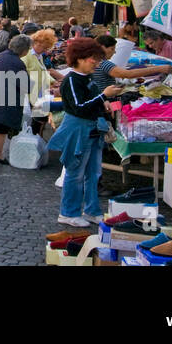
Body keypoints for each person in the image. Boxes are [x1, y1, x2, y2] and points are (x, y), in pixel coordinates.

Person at [48, 37, 124, 227]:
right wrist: (104, 95)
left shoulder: (87, 78)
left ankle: (92, 210)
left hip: (92, 130)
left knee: (93, 173)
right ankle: (68, 212)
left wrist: (104, 101)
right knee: (76, 173)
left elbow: (92, 101)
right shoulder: (72, 81)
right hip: (78, 131)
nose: (97, 64)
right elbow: (79, 107)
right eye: (94, 59)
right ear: (80, 58)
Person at [0, 34, 33, 164]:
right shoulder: (17, 62)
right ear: (24, 50)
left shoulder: (0, 56)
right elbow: (24, 84)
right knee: (0, 127)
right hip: (3, 98)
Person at [91, 34, 172, 89]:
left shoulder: (96, 62)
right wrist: (159, 69)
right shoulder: (104, 64)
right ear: (102, 47)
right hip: (106, 101)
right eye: (112, 49)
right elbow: (128, 74)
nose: (114, 52)